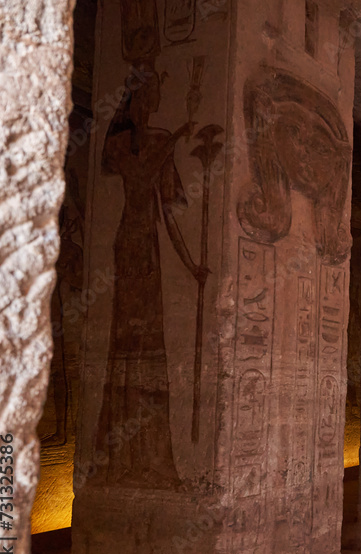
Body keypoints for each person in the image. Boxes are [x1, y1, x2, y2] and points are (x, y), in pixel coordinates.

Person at [96, 60, 205, 487]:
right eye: (153, 91)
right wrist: (175, 137)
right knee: (126, 347)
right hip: (131, 245)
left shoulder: (157, 140)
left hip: (146, 245)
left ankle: (150, 459)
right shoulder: (129, 143)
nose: (156, 98)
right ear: (139, 95)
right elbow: (141, 175)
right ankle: (122, 460)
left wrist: (191, 265)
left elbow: (168, 214)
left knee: (148, 349)